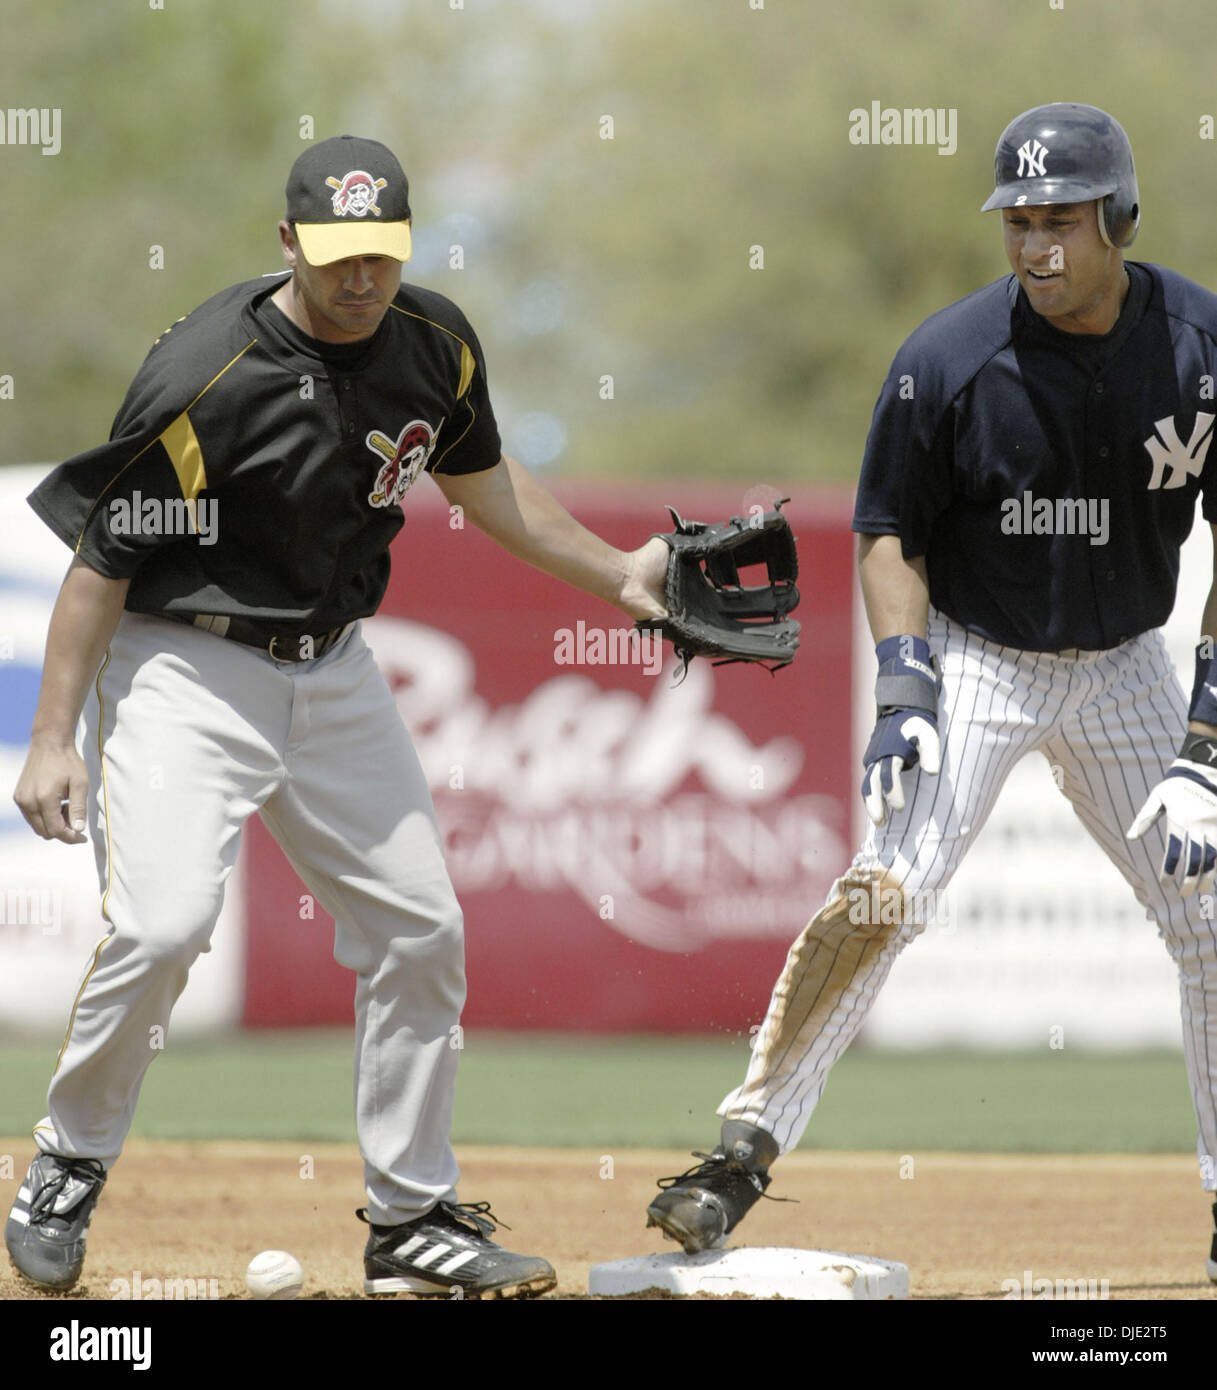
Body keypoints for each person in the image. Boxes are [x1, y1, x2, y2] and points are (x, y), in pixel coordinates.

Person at [5, 133, 668, 1299]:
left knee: (421, 928)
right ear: (287, 245)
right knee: (162, 927)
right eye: (334, 255)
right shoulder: (212, 372)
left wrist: (621, 574)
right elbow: (101, 564)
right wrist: (54, 734)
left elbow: (489, 486)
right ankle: (66, 1161)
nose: (359, 277)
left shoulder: (434, 344)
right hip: (187, 665)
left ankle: (408, 1217)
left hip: (336, 666)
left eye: (378, 253)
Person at [645, 103, 1217, 1283]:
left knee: (1212, 919)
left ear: (1118, 218)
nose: (1033, 245)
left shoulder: (1200, 342)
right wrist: (904, 687)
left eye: (1059, 218)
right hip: (979, 654)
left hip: (1124, 666)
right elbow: (886, 528)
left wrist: (1204, 735)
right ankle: (740, 1151)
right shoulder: (947, 360)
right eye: (1016, 220)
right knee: (886, 889)